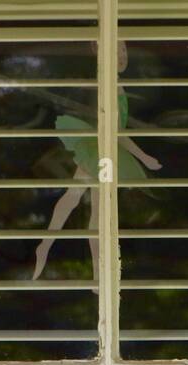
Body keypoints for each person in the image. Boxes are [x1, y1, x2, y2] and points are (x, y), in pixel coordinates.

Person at [31, 41, 162, 281]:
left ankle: (49, 247)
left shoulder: (114, 84)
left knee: (75, 198)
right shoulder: (109, 85)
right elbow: (116, 132)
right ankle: (93, 273)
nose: (122, 56)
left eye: (124, 50)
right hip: (101, 150)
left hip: (102, 149)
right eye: (117, 50)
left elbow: (117, 129)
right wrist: (144, 157)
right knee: (90, 210)